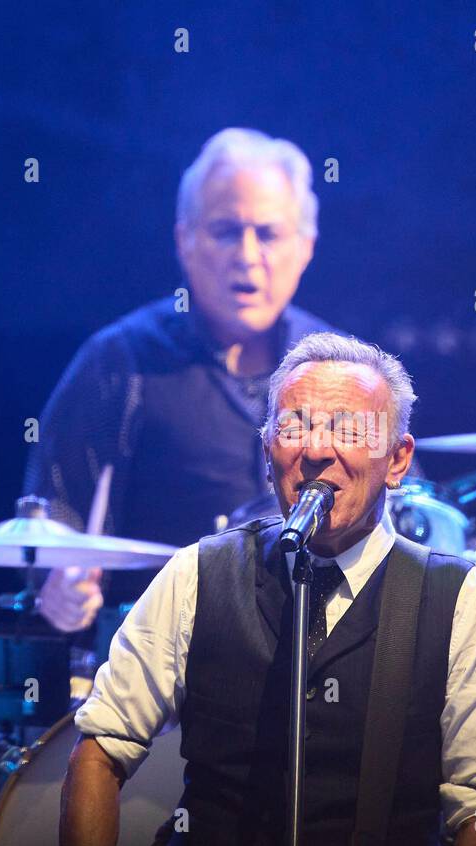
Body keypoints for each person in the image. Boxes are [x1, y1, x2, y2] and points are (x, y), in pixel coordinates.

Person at [61, 332, 476, 846]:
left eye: (348, 429)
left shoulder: (464, 602)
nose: (315, 450)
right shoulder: (197, 573)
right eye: (295, 427)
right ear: (268, 453)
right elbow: (100, 749)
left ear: (398, 460)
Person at [24, 128, 337, 633]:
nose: (248, 254)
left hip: (316, 658)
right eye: (226, 231)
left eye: (269, 234)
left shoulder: (340, 369)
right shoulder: (122, 357)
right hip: (159, 664)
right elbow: (54, 507)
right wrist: (56, 579)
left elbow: (406, 509)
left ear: (305, 247)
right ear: (184, 241)